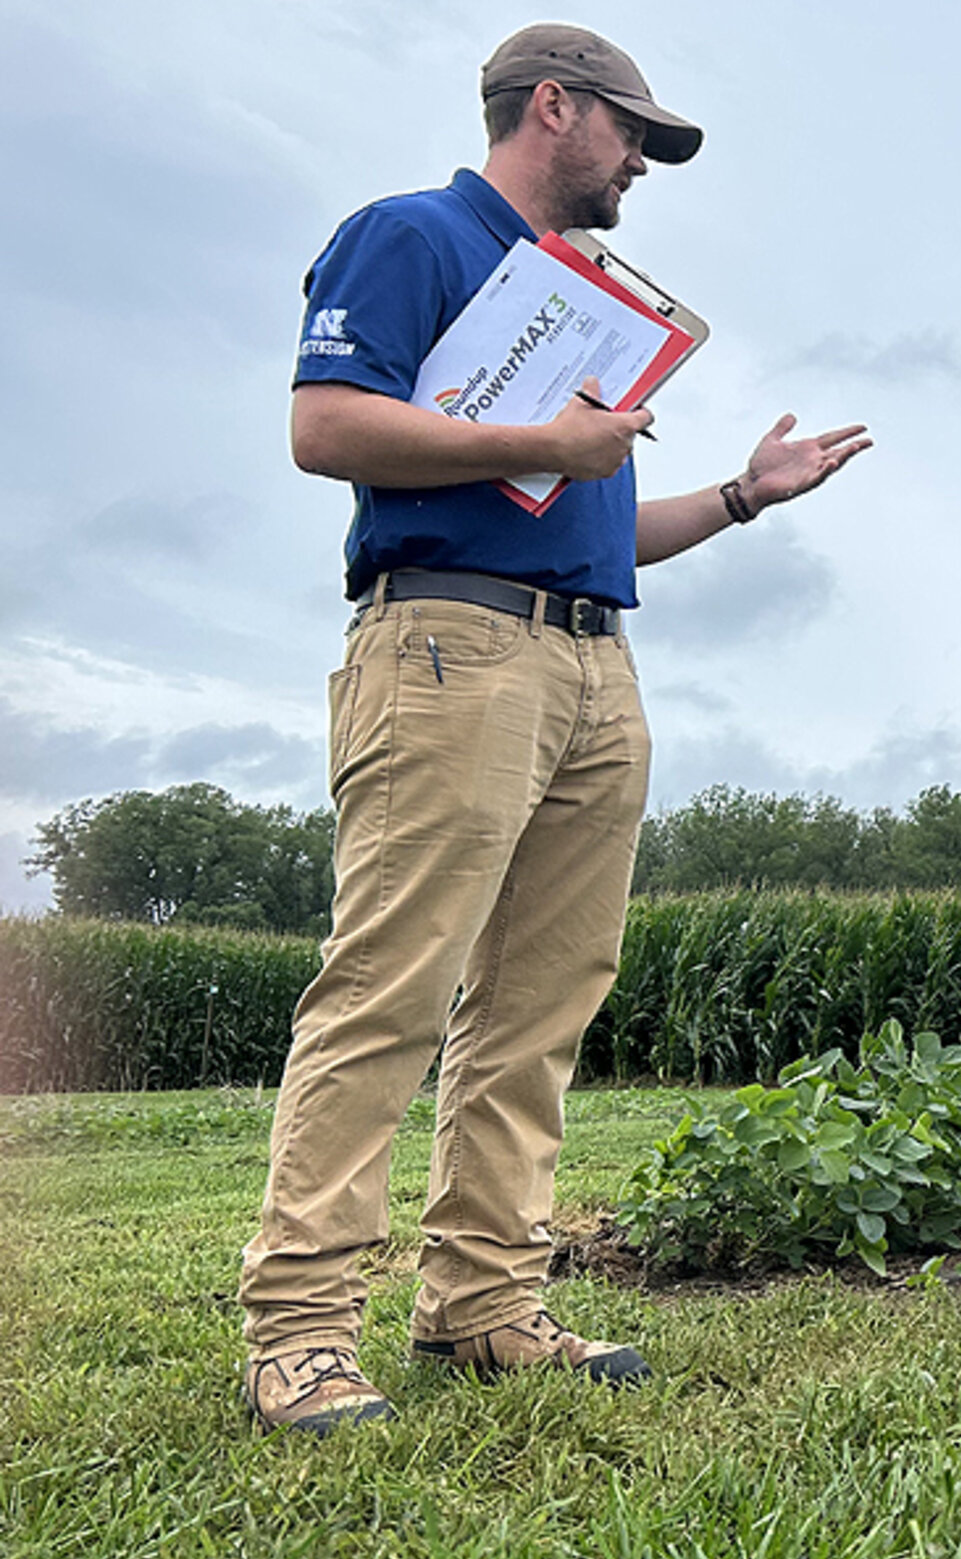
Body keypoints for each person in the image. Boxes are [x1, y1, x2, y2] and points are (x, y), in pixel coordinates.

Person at [239, 23, 872, 1435]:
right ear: (552, 108)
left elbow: (602, 526)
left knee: (542, 1003)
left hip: (592, 660)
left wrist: (745, 496)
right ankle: (299, 1334)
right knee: (391, 987)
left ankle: (482, 1301)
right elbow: (325, 427)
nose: (640, 163)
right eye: (631, 134)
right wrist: (543, 441)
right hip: (449, 645)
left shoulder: (581, 303)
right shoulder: (411, 236)